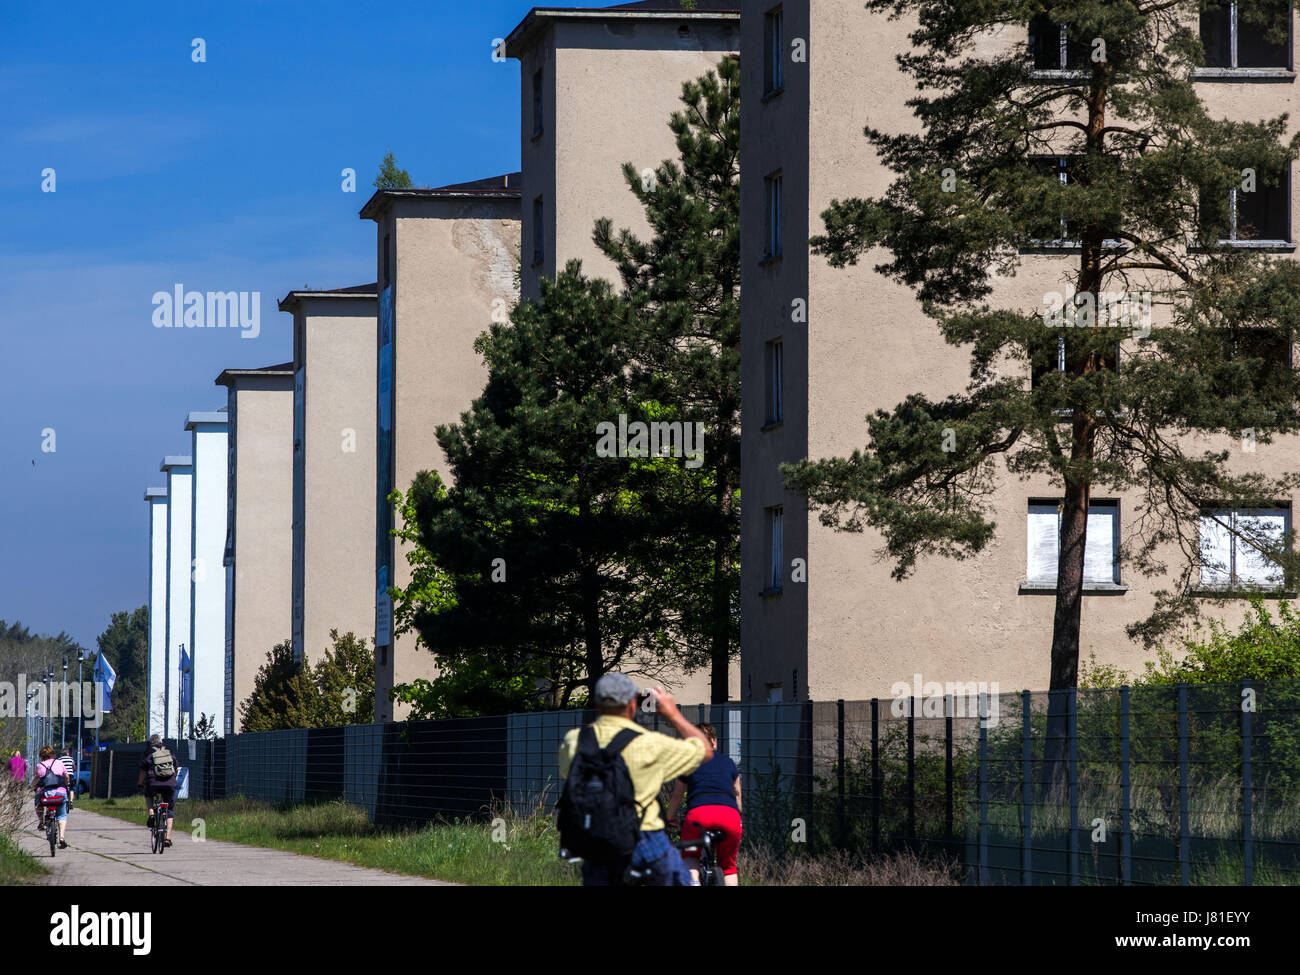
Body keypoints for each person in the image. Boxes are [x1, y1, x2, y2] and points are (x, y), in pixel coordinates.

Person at [558, 673, 713, 886]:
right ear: (632, 704)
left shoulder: (575, 740)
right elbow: (704, 750)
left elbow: (568, 774)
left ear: (597, 703)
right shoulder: (649, 744)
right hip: (645, 838)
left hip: (595, 839)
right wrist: (673, 714)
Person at [666, 723, 743, 886]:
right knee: (728, 866)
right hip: (729, 816)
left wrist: (669, 819)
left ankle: (694, 882)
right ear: (714, 741)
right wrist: (739, 818)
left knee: (691, 856)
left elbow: (677, 796)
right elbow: (737, 792)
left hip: (698, 816)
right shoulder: (729, 763)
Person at [137, 734, 178, 847]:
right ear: (161, 742)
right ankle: (168, 837)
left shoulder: (148, 753)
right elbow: (175, 768)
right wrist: (173, 781)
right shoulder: (169, 752)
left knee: (148, 794)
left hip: (153, 782)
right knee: (169, 809)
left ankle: (151, 814)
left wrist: (140, 783)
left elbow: (143, 770)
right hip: (170, 783)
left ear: (150, 743)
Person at [32, 746, 70, 848]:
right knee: (61, 815)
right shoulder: (59, 763)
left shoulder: (40, 765)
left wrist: (33, 787)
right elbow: (66, 776)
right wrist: (67, 783)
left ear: (42, 756)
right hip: (59, 794)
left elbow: (36, 779)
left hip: (45, 796)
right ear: (53, 754)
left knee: (38, 803)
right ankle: (62, 838)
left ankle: (41, 822)